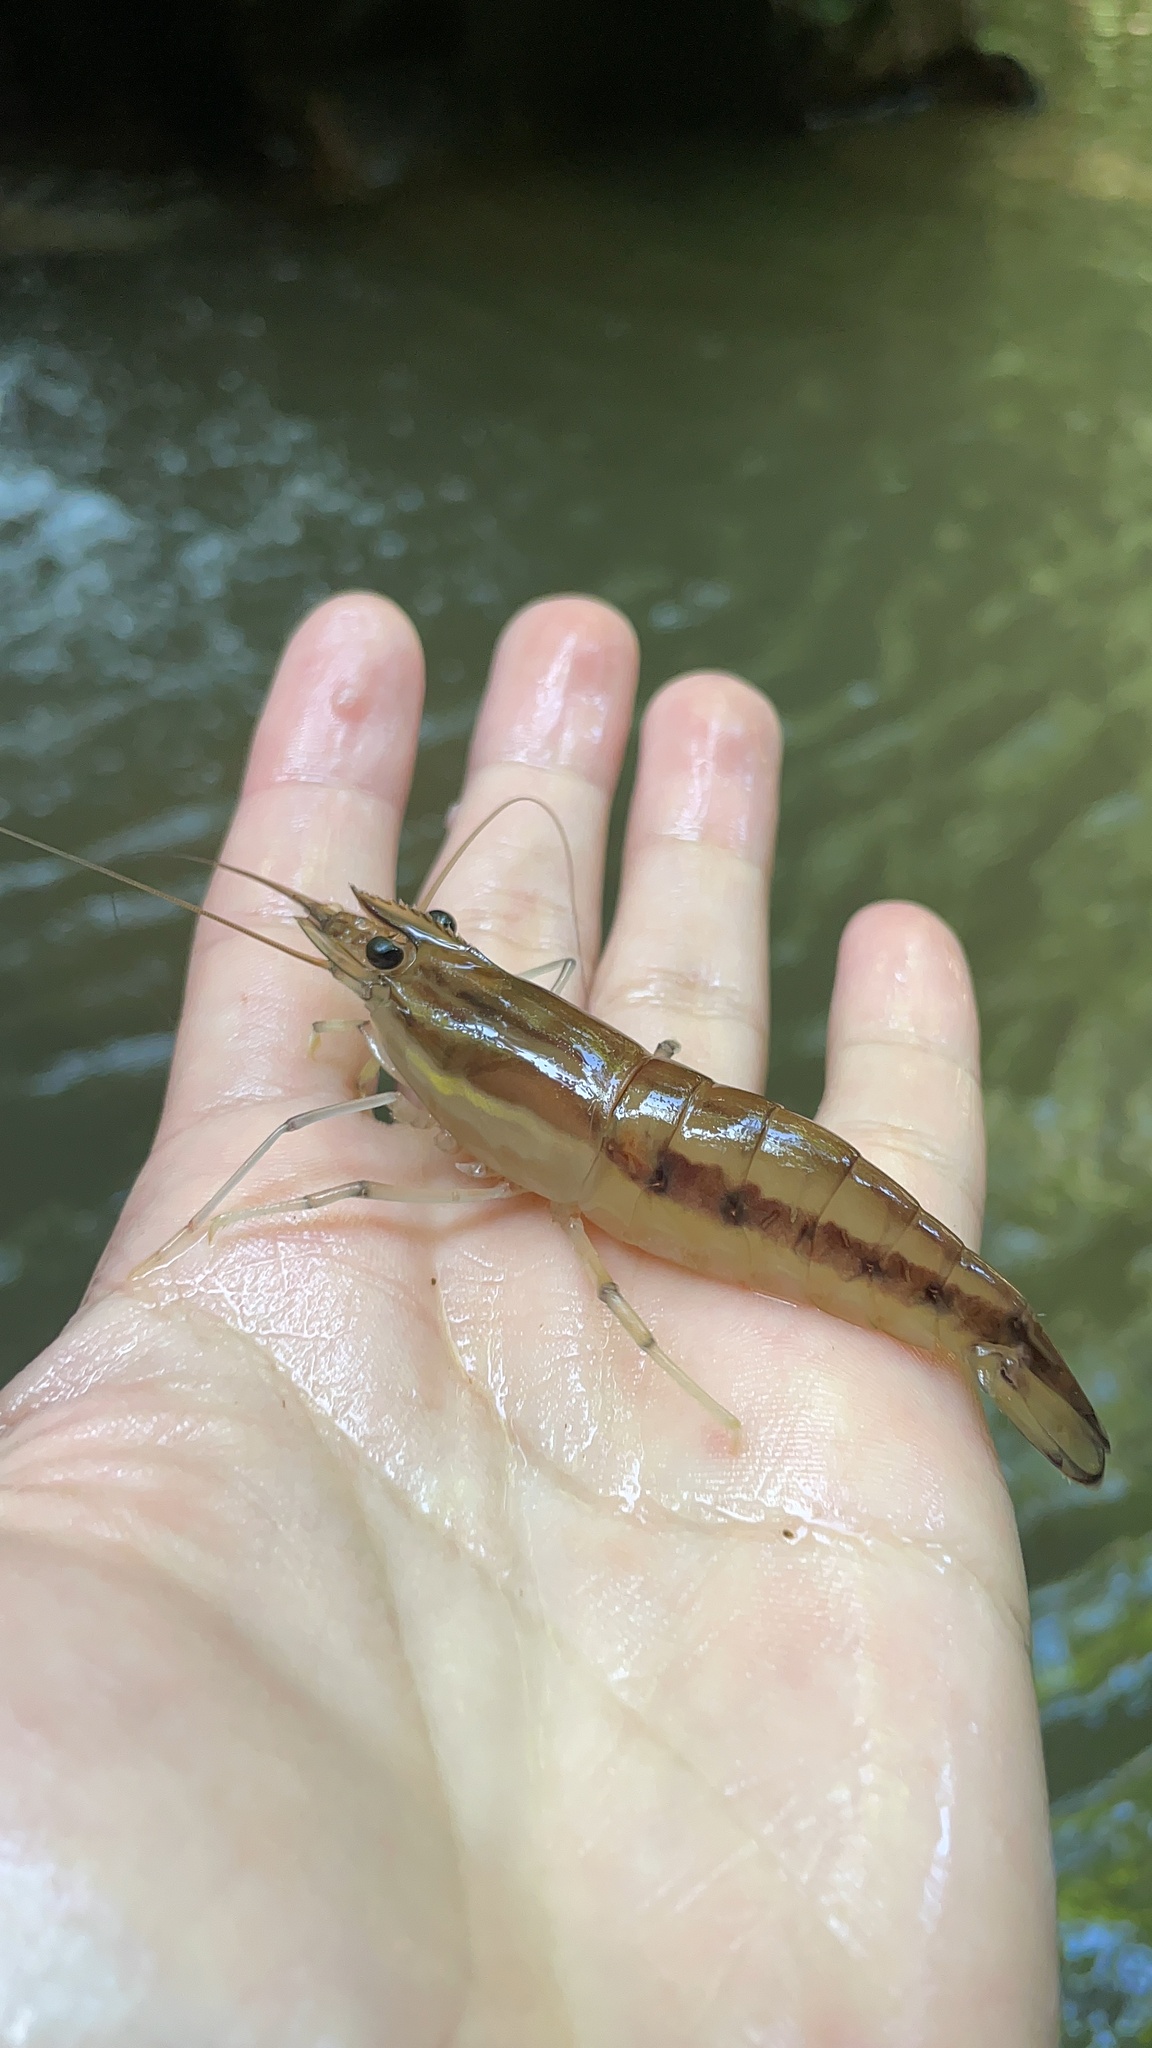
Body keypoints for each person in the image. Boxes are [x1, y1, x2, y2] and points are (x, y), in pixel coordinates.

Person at [0, 593, 1056, 2042]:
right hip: (676, 1135)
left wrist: (266, 1174)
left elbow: (401, 1094)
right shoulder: (434, 1016)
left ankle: (973, 1325)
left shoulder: (436, 1092)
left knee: (297, 1191)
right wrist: (386, 990)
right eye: (393, 959)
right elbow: (410, 1002)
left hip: (704, 1175)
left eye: (405, 949)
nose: (388, 957)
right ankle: (977, 1320)